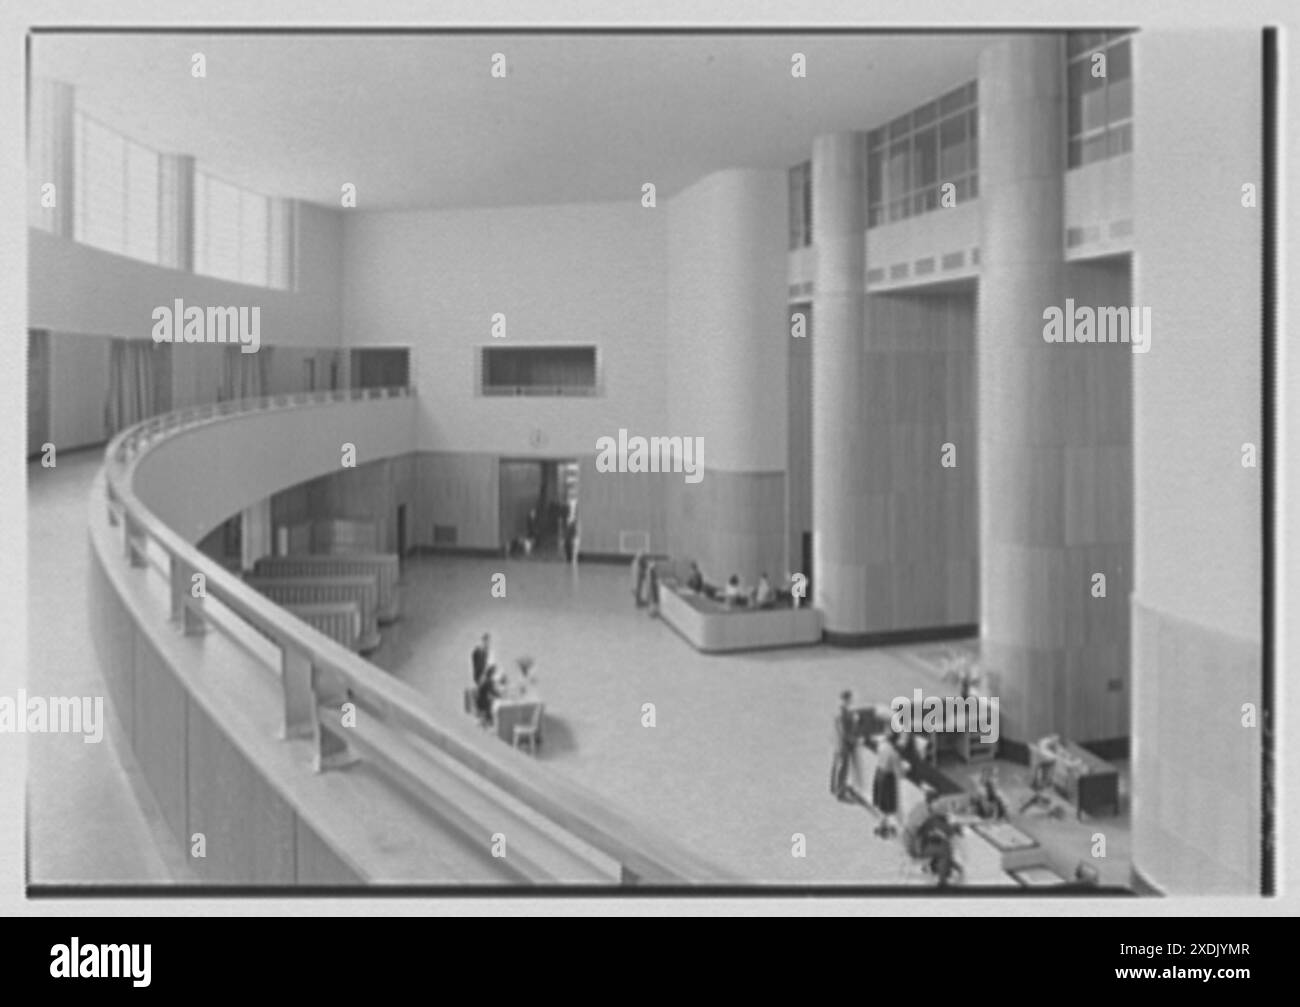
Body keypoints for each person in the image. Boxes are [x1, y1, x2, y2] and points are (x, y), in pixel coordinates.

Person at [871, 734, 907, 837]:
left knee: (881, 803)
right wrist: (905, 768)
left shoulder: (882, 745)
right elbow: (900, 774)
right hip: (888, 779)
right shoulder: (894, 754)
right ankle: (882, 827)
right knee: (887, 806)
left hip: (878, 773)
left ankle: (882, 824)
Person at [830, 690, 863, 802]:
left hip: (837, 743)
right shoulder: (843, 713)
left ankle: (834, 788)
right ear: (846, 699)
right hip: (843, 745)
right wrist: (855, 740)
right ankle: (840, 791)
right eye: (850, 699)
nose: (851, 701)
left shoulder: (840, 711)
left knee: (837, 766)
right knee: (843, 768)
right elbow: (845, 732)